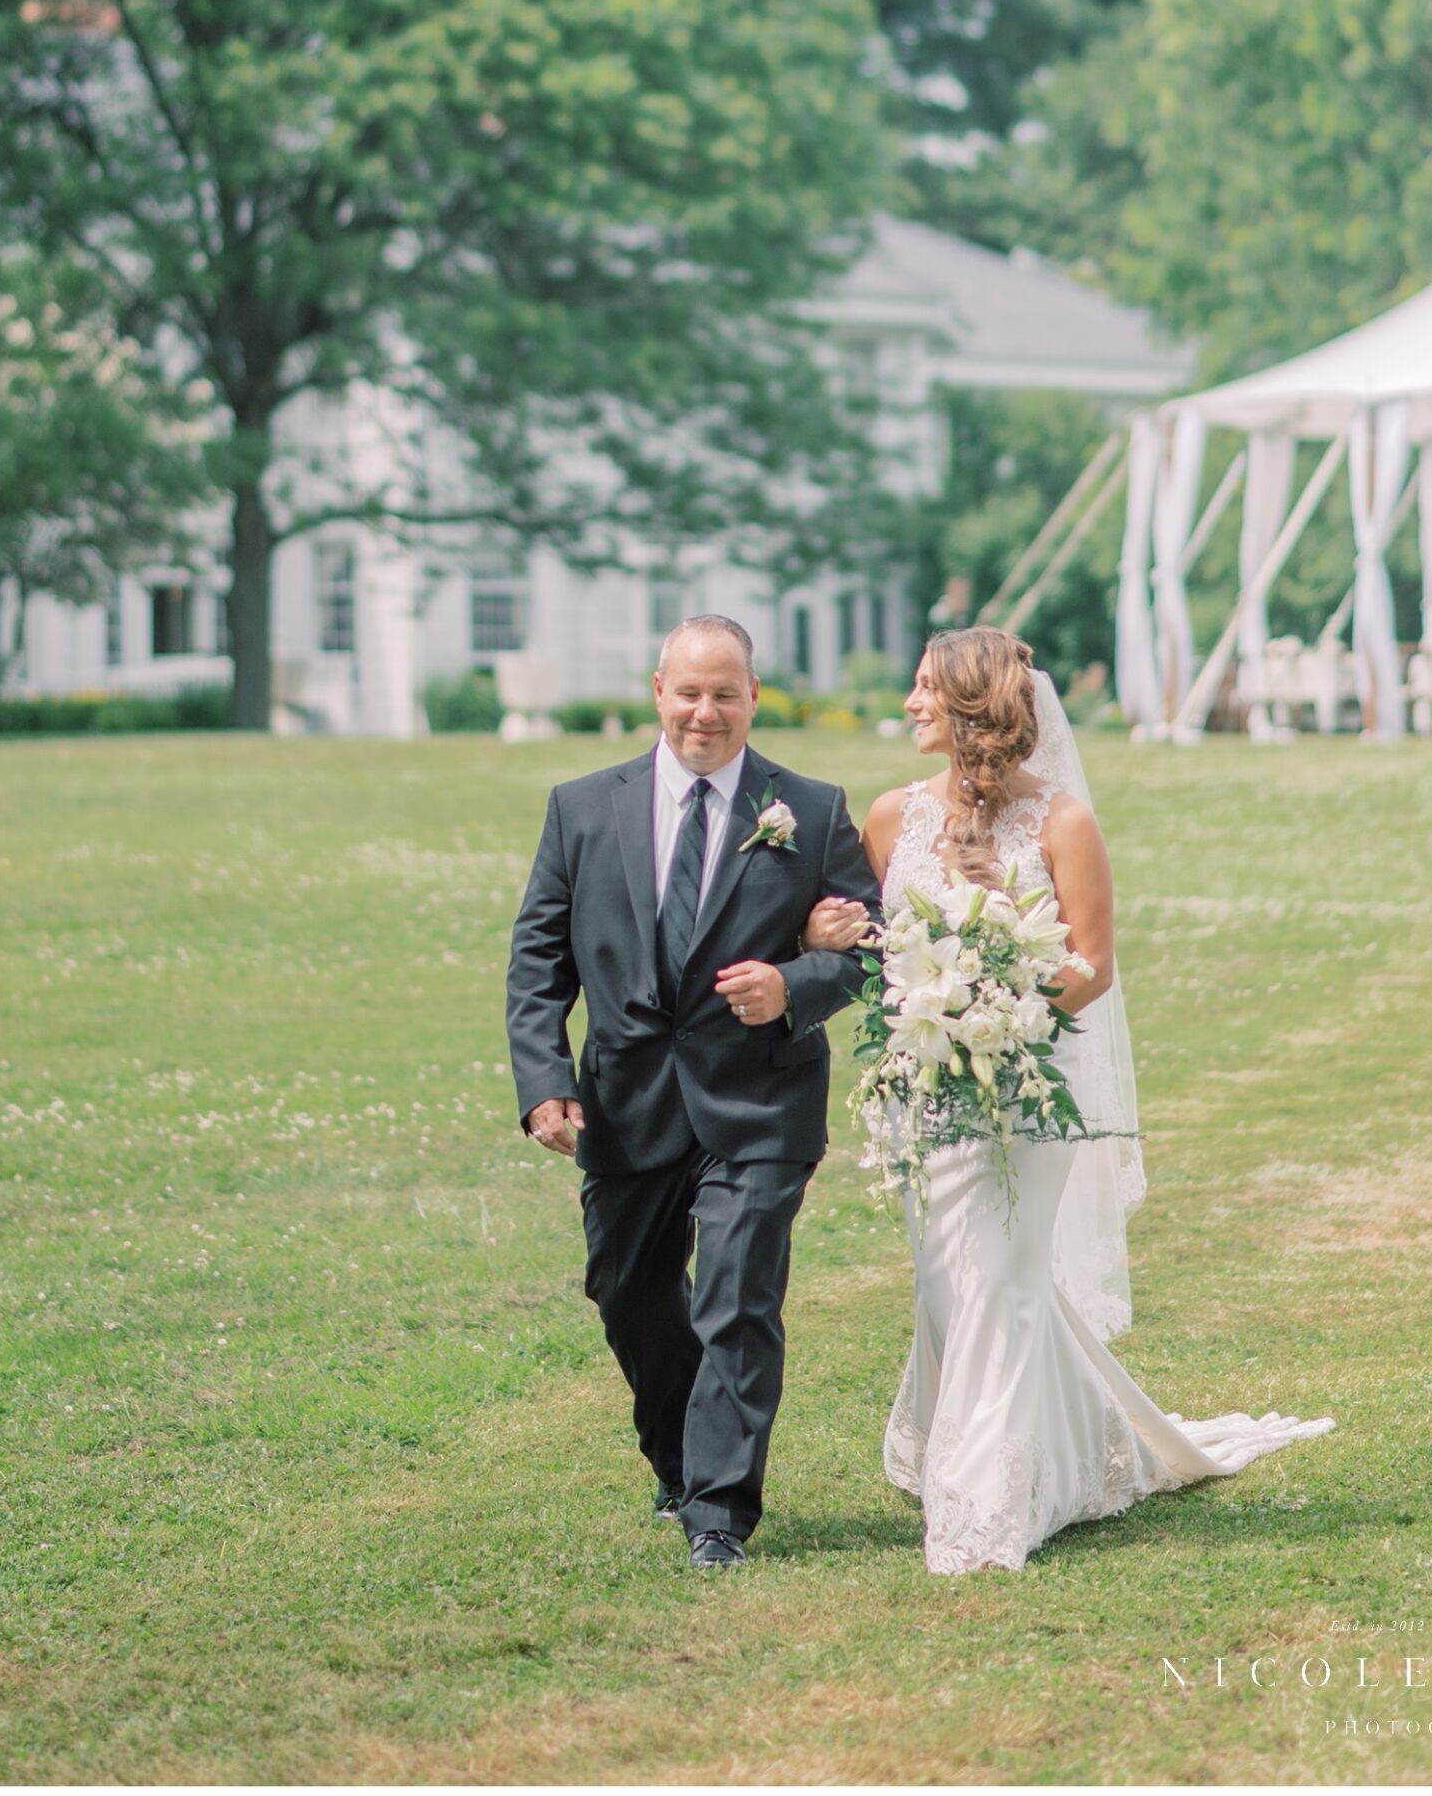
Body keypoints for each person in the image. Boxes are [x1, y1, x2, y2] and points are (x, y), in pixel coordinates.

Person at [821, 624, 1335, 1575]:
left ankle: (988, 1502)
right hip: (923, 1092)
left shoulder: (1062, 824)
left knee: (1005, 1284)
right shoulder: (892, 818)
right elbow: (860, 948)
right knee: (945, 1285)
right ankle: (1051, 1441)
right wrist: (839, 936)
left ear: (974, 704)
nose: (910, 704)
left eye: (927, 688)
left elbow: (1091, 965)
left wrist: (1003, 1012)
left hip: (1019, 1093)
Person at [505, 614, 882, 1571]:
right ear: (658, 691)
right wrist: (546, 1079)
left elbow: (868, 947)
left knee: (737, 1297)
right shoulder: (582, 807)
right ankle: (678, 1461)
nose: (704, 712)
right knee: (626, 1292)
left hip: (760, 1105)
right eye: (688, 691)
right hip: (625, 1102)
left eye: (725, 693)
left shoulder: (812, 809)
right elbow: (538, 960)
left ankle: (718, 1510)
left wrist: (792, 987)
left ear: (756, 698)